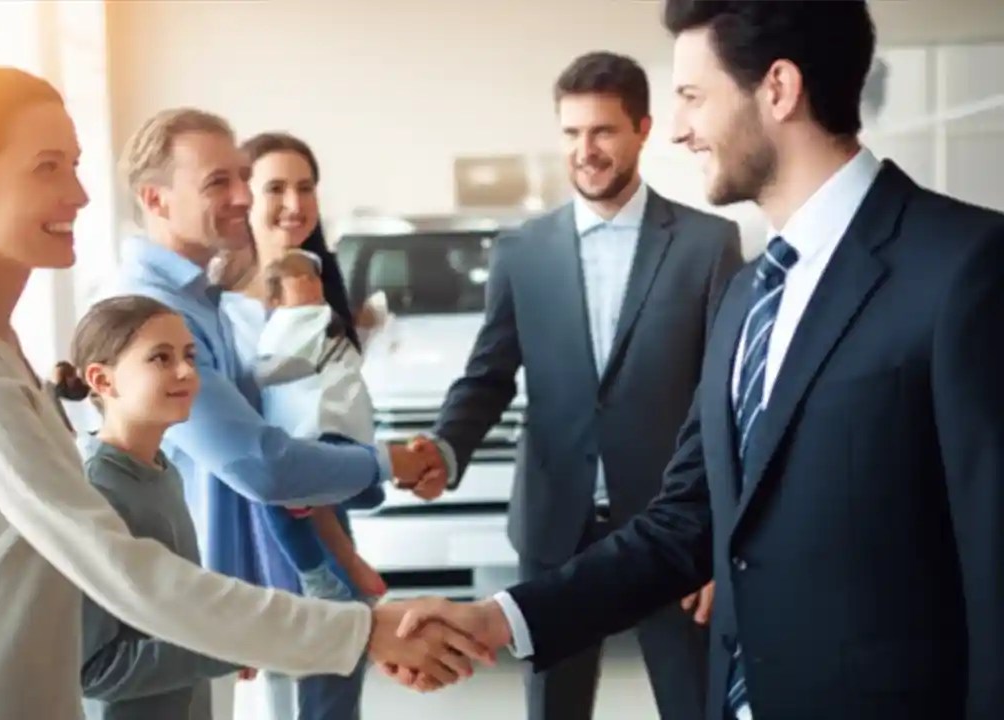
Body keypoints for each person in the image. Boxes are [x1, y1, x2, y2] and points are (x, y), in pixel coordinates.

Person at [395, 2, 1004, 719]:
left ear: (778, 89)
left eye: (691, 96)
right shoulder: (751, 290)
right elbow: (688, 517)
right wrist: (498, 620)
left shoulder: (965, 270)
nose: (680, 130)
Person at [0, 64, 486, 720]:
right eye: (47, 168)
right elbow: (118, 564)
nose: (78, 195)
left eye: (75, 165)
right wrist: (359, 630)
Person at [414, 51, 742, 720]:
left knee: (693, 702)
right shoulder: (521, 251)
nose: (585, 150)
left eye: (603, 132)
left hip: (668, 532)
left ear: (643, 130)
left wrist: (720, 540)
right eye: (571, 133)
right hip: (553, 525)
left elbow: (726, 398)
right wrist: (444, 451)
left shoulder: (709, 245)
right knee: (554, 710)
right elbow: (489, 374)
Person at [104, 112, 448, 719]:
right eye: (219, 182)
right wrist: (389, 463)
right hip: (203, 583)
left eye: (243, 177)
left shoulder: (198, 299)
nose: (242, 196)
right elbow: (260, 463)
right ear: (155, 198)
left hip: (251, 570)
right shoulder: (151, 310)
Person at [53, 295, 248, 720]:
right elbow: (95, 670)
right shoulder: (94, 491)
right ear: (103, 382)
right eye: (160, 358)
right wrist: (225, 645)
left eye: (189, 356)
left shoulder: (164, 469)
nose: (185, 372)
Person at [254, 249, 389, 602]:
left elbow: (287, 365)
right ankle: (320, 572)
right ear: (275, 294)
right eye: (298, 279)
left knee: (290, 501)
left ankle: (323, 573)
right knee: (291, 500)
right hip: (319, 427)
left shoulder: (316, 320)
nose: (310, 284)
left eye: (313, 277)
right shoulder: (292, 324)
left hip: (332, 424)